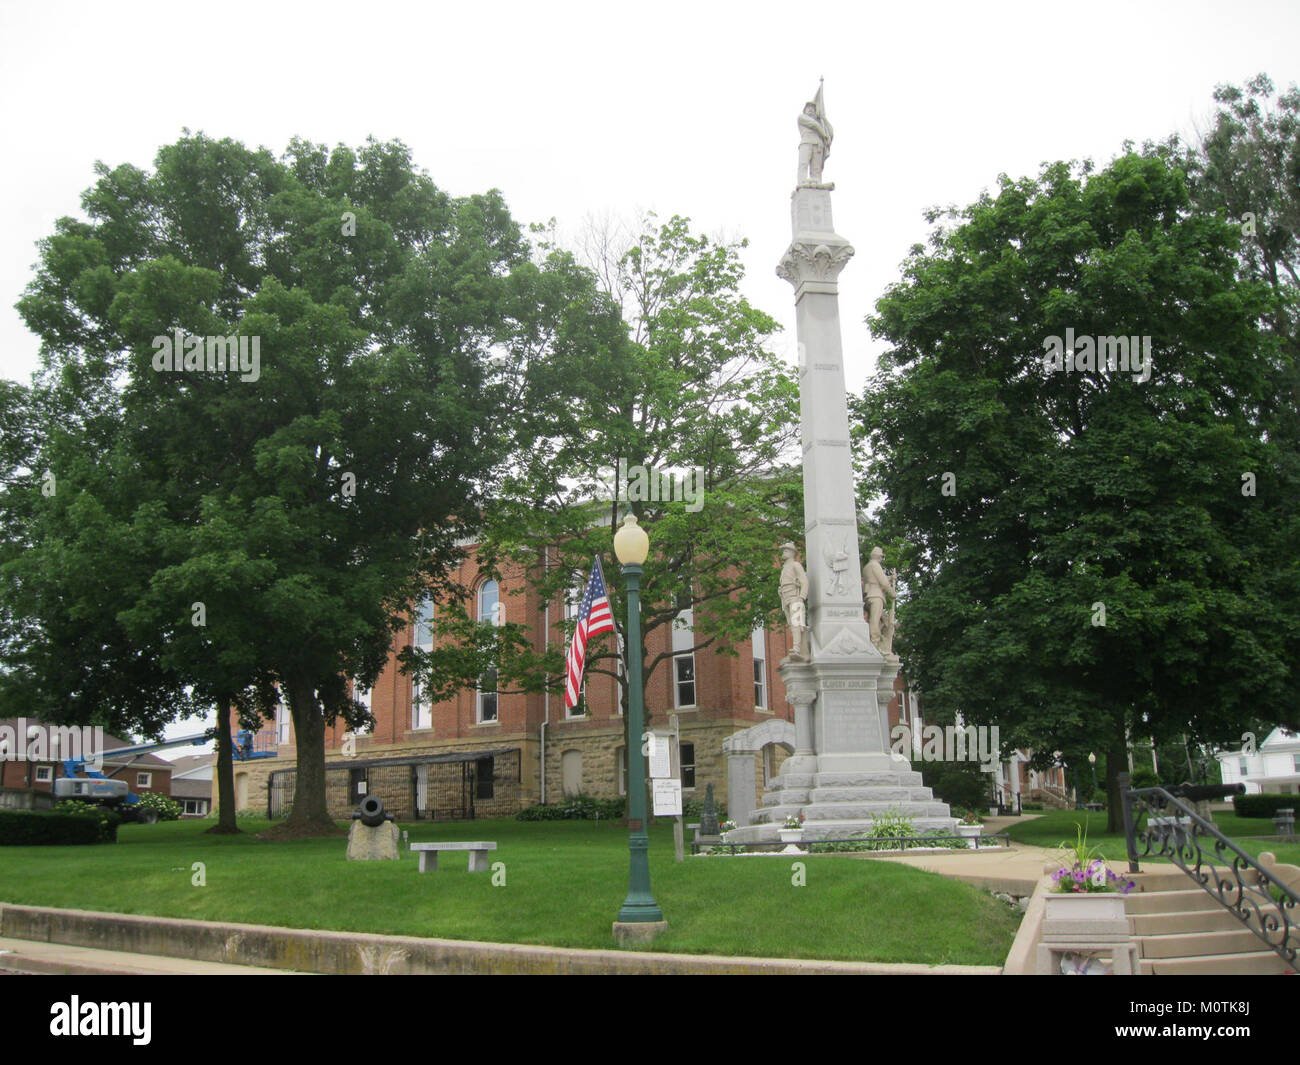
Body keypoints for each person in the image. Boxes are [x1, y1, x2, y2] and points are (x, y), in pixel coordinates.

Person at [779, 542, 809, 659]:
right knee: (791, 624)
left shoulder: (796, 565)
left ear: (792, 553)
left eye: (786, 550)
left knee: (797, 622)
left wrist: (802, 597)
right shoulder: (784, 568)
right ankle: (799, 648)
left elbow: (804, 581)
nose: (783, 552)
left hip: (795, 596)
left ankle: (797, 648)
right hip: (785, 597)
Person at [863, 546, 895, 650]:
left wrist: (891, 578)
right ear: (877, 556)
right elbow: (883, 582)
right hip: (876, 595)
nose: (881, 558)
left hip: (869, 595)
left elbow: (875, 579)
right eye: (881, 556)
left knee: (877, 621)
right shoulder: (875, 565)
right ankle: (875, 643)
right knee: (875, 621)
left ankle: (874, 640)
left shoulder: (867, 567)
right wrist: (892, 593)